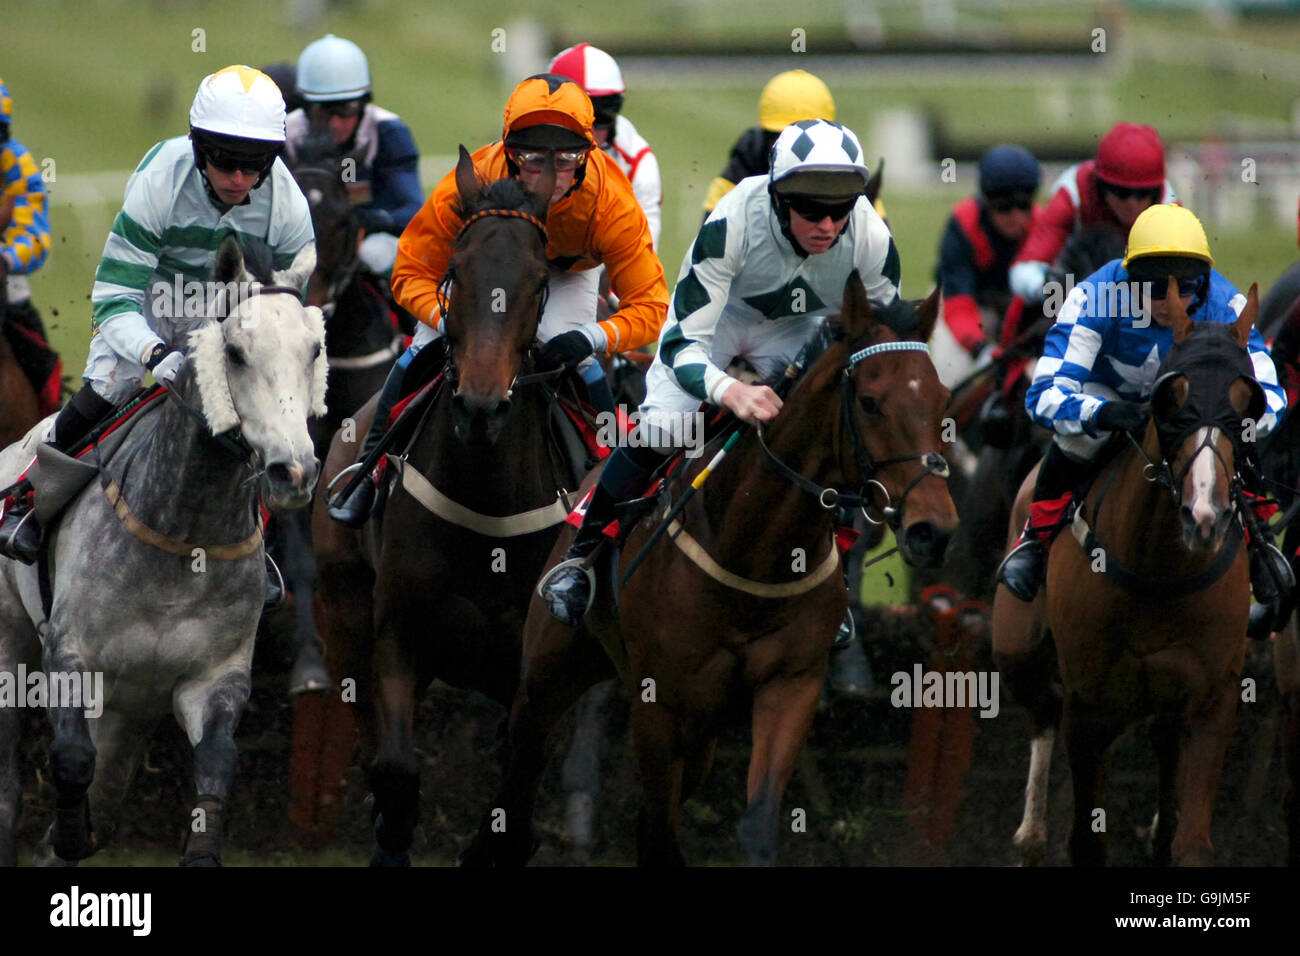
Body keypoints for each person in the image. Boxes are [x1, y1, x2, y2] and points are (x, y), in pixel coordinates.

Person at [539, 118, 910, 646]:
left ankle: (834, 584)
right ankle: (583, 557)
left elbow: (879, 346)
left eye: (840, 209)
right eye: (810, 209)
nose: (827, 225)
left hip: (799, 330)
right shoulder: (734, 220)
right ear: (779, 199)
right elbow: (678, 345)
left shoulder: (872, 237)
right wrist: (729, 390)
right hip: (717, 322)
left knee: (836, 441)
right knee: (664, 429)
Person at [0, 66, 315, 608]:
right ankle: (29, 502)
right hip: (146, 300)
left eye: (254, 165)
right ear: (198, 148)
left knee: (262, 414)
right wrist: (154, 353)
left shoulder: (287, 205)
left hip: (225, 316)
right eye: (224, 161)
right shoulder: (160, 182)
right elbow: (113, 296)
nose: (239, 179)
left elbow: (288, 314)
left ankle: (255, 542)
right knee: (112, 387)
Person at [327, 72, 668, 528]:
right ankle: (368, 469)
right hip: (485, 271)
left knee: (575, 353)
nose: (548, 172)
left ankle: (607, 480)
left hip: (565, 276)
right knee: (423, 346)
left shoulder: (613, 204)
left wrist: (594, 336)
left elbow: (651, 307)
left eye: (566, 158)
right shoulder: (470, 181)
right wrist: (444, 318)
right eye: (530, 156)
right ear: (507, 149)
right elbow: (410, 272)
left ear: (590, 153)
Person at [997, 204, 1290, 633]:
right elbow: (1042, 396)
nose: (1169, 301)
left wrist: (1233, 423)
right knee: (1079, 440)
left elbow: (1273, 398)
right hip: (1109, 396)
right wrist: (1103, 413)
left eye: (1185, 287)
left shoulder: (1228, 303)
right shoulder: (1092, 296)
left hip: (1191, 408)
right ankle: (1034, 542)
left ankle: (1262, 546)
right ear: (1128, 276)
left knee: (1226, 442)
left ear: (1204, 280)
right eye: (1151, 287)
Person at [285, 34, 421, 280]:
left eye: (346, 110)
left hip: (368, 239)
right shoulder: (284, 135)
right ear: (305, 108)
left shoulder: (390, 133)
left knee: (376, 253)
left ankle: (405, 318)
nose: (335, 123)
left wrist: (368, 220)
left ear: (363, 105)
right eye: (324, 111)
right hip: (303, 240)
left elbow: (414, 210)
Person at [1008, 122, 1175, 307]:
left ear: (1157, 190)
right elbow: (1023, 270)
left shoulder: (1169, 207)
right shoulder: (1073, 194)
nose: (1132, 203)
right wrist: (1047, 287)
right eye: (1121, 192)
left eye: (1143, 193)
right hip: (1072, 297)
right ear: (1101, 186)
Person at [930, 144, 1041, 389]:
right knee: (949, 377)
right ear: (986, 201)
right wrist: (980, 349)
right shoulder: (962, 224)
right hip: (962, 305)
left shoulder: (1043, 226)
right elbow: (958, 304)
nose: (1015, 216)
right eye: (1004, 206)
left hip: (1016, 309)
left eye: (1023, 205)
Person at [548, 42, 660, 250]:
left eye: (599, 116)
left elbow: (642, 253)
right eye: (573, 117)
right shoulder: (518, 147)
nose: (588, 133)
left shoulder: (638, 161)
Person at [0, 77, 60, 415]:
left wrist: (6, 260)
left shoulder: (16, 164)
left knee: (45, 372)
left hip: (6, 283)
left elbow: (35, 237)